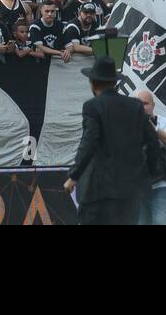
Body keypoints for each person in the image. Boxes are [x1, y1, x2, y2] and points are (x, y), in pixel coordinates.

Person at [64, 55, 155, 225]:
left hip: (98, 191)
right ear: (115, 83)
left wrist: (74, 175)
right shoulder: (136, 106)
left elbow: (89, 143)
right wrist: (148, 172)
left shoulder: (92, 106)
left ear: (92, 82)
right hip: (129, 190)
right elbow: (152, 141)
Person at [134, 88, 166, 226]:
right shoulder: (127, 125)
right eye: (138, 103)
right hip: (137, 185)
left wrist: (153, 129)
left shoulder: (163, 122)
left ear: (153, 106)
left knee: (161, 221)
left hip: (162, 183)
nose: (141, 107)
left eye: (145, 103)